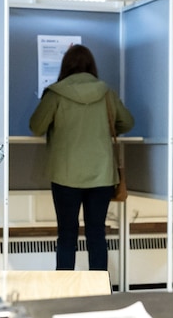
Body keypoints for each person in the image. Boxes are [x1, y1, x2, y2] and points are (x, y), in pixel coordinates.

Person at [29, 44, 133, 271]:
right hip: (102, 175)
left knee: (67, 234)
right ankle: (99, 292)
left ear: (65, 65)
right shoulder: (106, 92)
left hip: (65, 176)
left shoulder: (56, 93)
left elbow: (36, 126)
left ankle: (66, 292)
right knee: (96, 233)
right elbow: (127, 122)